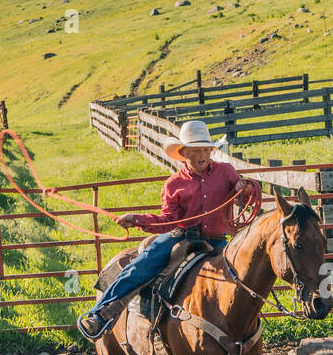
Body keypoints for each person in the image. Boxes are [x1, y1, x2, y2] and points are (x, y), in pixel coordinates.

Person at [76, 120, 257, 340]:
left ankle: (247, 327)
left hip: (218, 240)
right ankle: (100, 315)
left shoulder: (225, 171)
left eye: (206, 149)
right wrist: (137, 219)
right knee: (141, 265)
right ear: (184, 152)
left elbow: (249, 194)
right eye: (196, 150)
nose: (203, 155)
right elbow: (168, 220)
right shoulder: (173, 184)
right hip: (180, 237)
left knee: (248, 271)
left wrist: (246, 187)